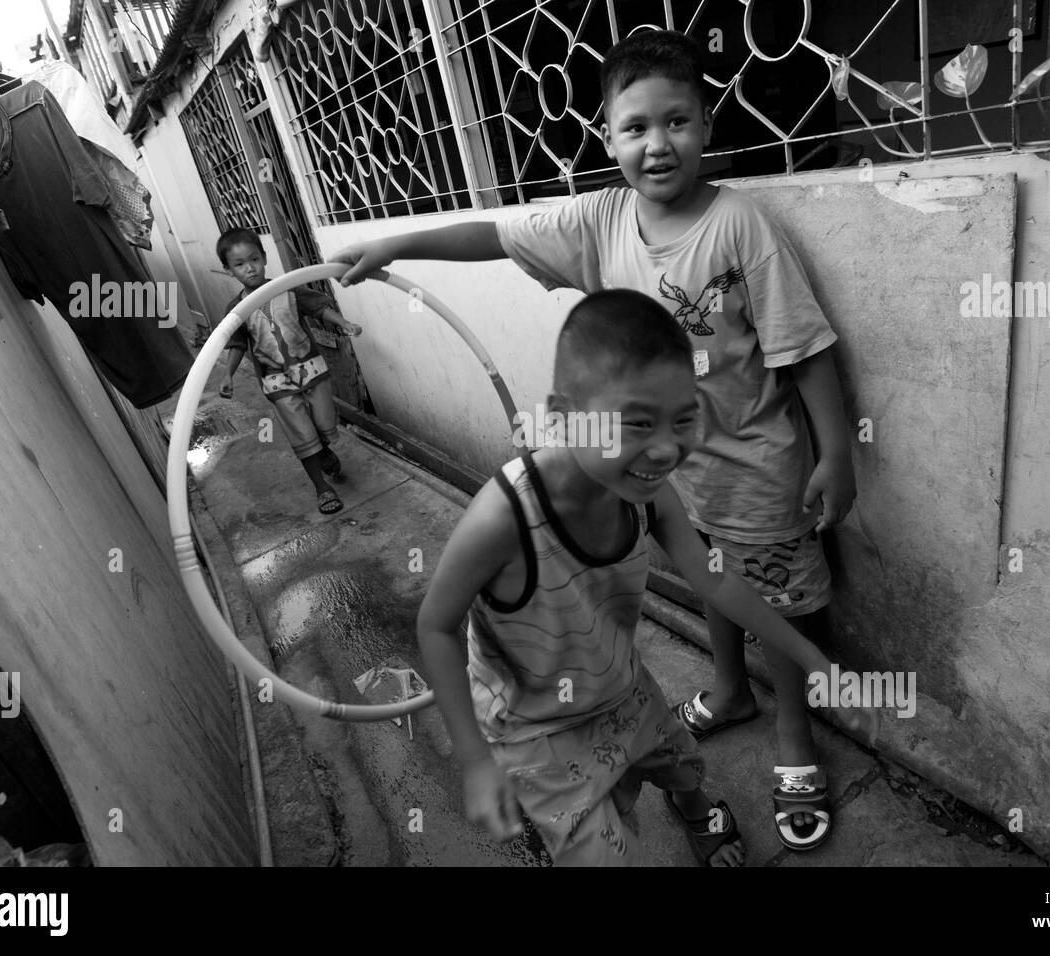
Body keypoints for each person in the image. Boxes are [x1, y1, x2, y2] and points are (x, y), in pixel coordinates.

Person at [334, 31, 859, 850]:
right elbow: (498, 236)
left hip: (753, 467)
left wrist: (834, 460)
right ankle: (727, 692)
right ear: (607, 136)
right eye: (634, 127)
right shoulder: (529, 499)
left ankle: (776, 734)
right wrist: (399, 244)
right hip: (556, 695)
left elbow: (801, 352)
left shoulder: (737, 234)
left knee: (750, 585)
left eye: (678, 120)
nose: (658, 144)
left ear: (708, 123)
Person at [416, 289, 875, 867]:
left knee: (678, 764)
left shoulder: (648, 494)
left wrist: (815, 662)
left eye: (684, 418)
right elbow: (436, 626)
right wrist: (476, 761)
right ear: (561, 415)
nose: (664, 449)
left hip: (621, 685)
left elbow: (718, 581)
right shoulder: (502, 517)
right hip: (533, 732)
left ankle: (693, 807)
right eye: (636, 422)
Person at [217, 227, 363, 514]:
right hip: (278, 384)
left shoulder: (288, 288)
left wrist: (342, 323)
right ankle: (322, 488)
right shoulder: (237, 309)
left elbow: (319, 308)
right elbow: (236, 344)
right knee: (301, 435)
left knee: (323, 424)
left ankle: (322, 449)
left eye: (254, 259)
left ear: (264, 258)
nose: (250, 268)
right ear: (228, 270)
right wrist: (228, 374)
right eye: (239, 264)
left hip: (313, 373)